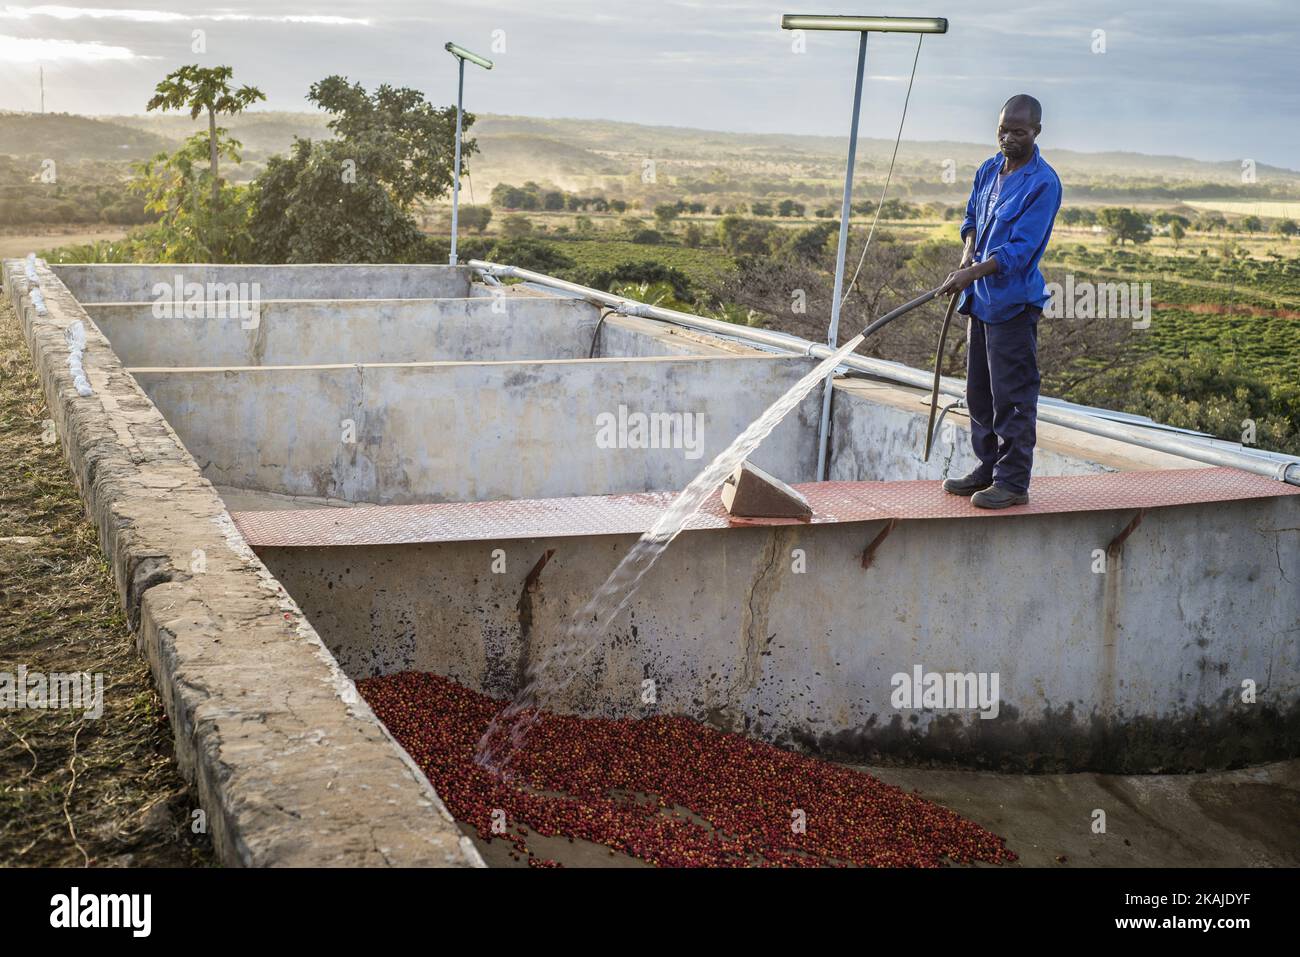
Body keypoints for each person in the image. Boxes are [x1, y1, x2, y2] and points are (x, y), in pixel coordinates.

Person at [938, 93, 1062, 509]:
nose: (1008, 138)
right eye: (1003, 130)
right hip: (980, 301)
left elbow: (1018, 252)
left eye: (1019, 132)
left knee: (1012, 396)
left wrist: (968, 273)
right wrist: (967, 250)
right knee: (980, 393)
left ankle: (1012, 482)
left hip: (1012, 305)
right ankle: (987, 467)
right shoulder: (988, 170)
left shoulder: (1043, 183)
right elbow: (971, 219)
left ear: (1037, 132)